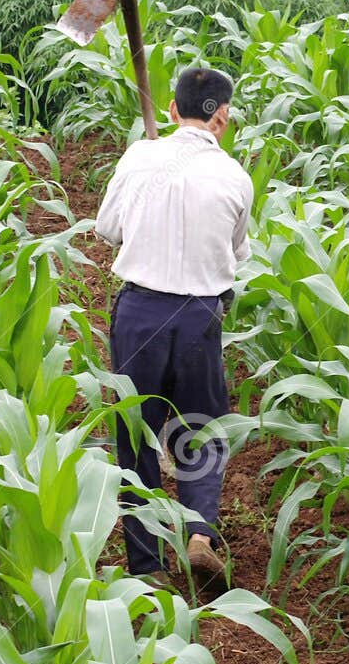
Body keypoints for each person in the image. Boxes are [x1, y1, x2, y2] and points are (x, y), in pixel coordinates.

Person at [95, 66, 252, 584]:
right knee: (202, 427)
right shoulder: (235, 177)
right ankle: (201, 534)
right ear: (222, 119)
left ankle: (146, 566)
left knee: (136, 434)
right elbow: (237, 253)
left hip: (140, 314)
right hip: (200, 316)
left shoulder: (140, 157)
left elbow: (106, 229)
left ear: (171, 110)